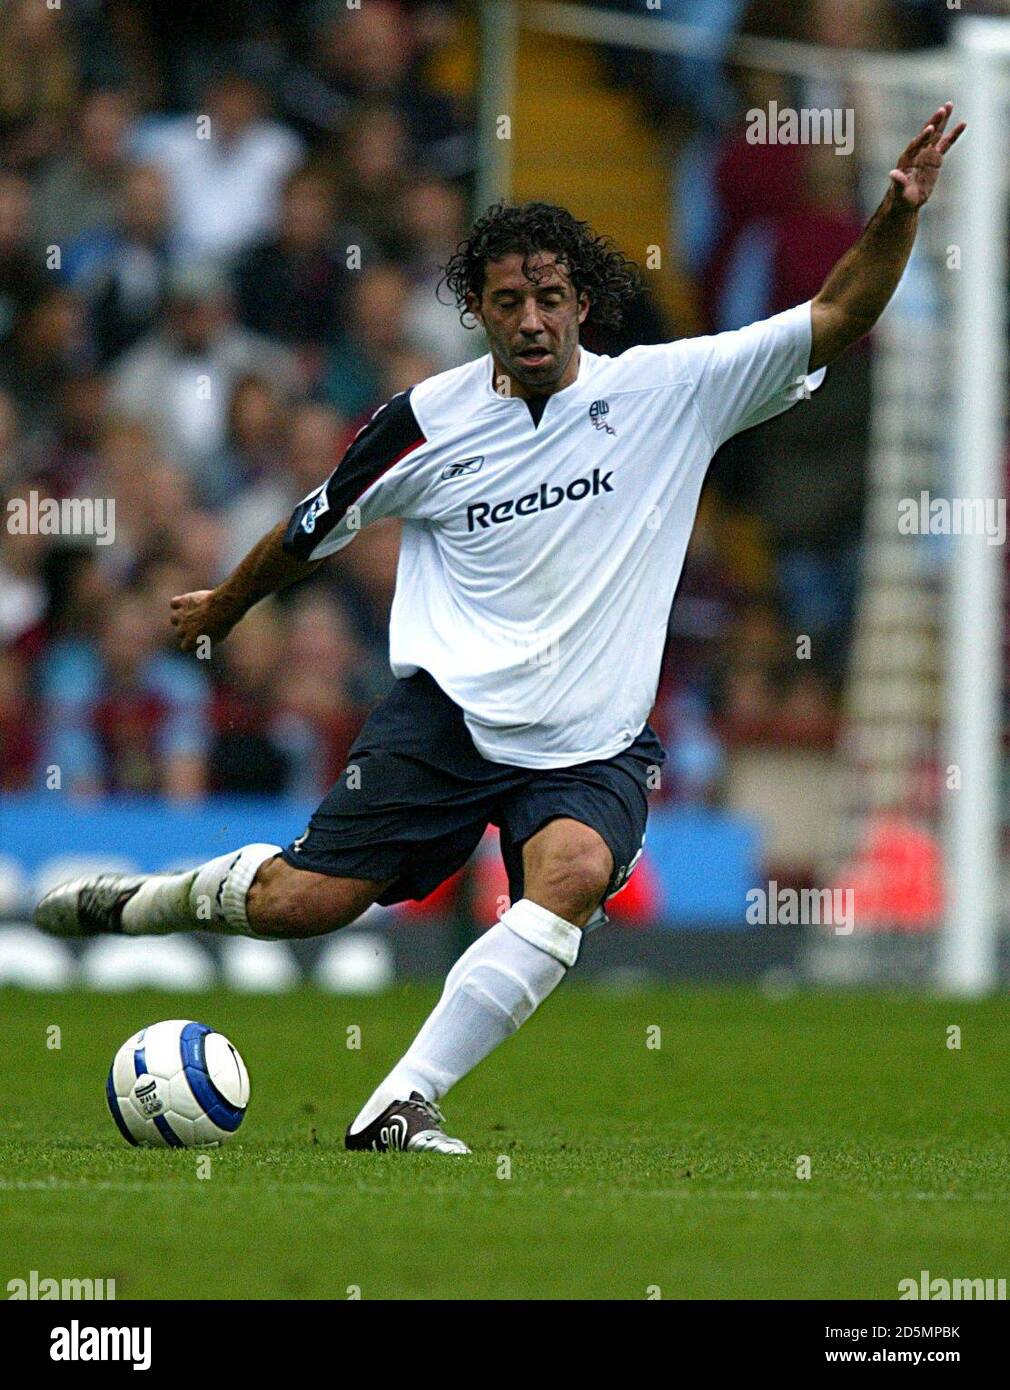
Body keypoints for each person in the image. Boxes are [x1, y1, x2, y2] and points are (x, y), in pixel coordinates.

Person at [37, 104, 965, 1154]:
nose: (530, 319)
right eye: (507, 299)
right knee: (303, 903)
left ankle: (397, 1103)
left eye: (550, 298)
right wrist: (224, 605)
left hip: (590, 741)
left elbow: (837, 312)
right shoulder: (423, 422)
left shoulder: (673, 391)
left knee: (566, 875)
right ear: (475, 309)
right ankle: (148, 903)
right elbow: (310, 528)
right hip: (446, 722)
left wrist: (894, 213)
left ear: (583, 305)